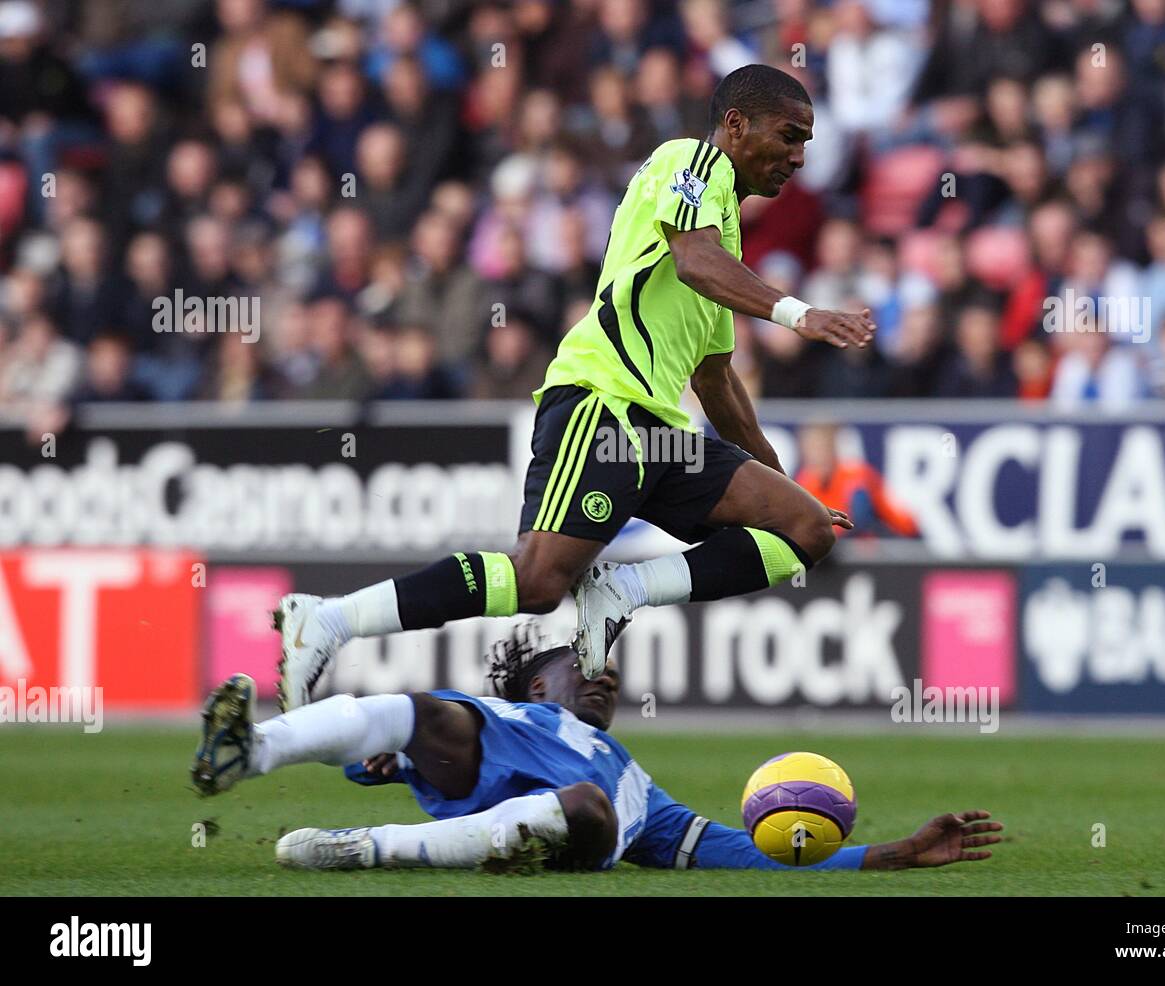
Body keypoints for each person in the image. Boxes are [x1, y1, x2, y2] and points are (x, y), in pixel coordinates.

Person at [273, 64, 876, 708]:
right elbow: (694, 262)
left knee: (804, 529)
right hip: (601, 403)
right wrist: (799, 313)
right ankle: (328, 621)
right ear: (736, 124)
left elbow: (716, 380)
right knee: (537, 581)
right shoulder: (691, 163)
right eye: (789, 136)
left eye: (806, 142)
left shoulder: (723, 236)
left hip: (661, 437)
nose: (799, 157)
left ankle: (624, 591)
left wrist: (780, 482)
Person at [191, 624, 1002, 873]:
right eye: (580, 667)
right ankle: (249, 749)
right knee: (416, 709)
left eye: (607, 669)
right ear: (536, 686)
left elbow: (752, 857)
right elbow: (373, 750)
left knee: (583, 807)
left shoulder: (641, 788)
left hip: (575, 825)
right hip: (479, 771)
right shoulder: (503, 715)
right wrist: (378, 761)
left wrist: (894, 855)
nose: (601, 675)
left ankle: (367, 854)